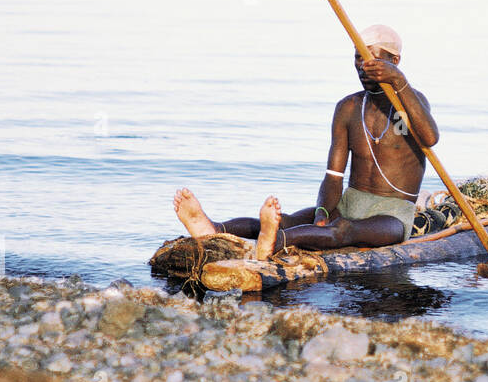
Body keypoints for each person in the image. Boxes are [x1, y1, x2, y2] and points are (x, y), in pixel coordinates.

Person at [170, 24, 438, 259]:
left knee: (343, 230)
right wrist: (323, 210)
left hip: (391, 214)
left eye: (372, 60)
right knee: (288, 220)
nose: (363, 67)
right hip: (349, 203)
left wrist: (398, 81)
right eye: (358, 58)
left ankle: (274, 243)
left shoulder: (412, 104)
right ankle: (213, 229)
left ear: (395, 60)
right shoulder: (348, 108)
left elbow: (430, 137)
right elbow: (334, 176)